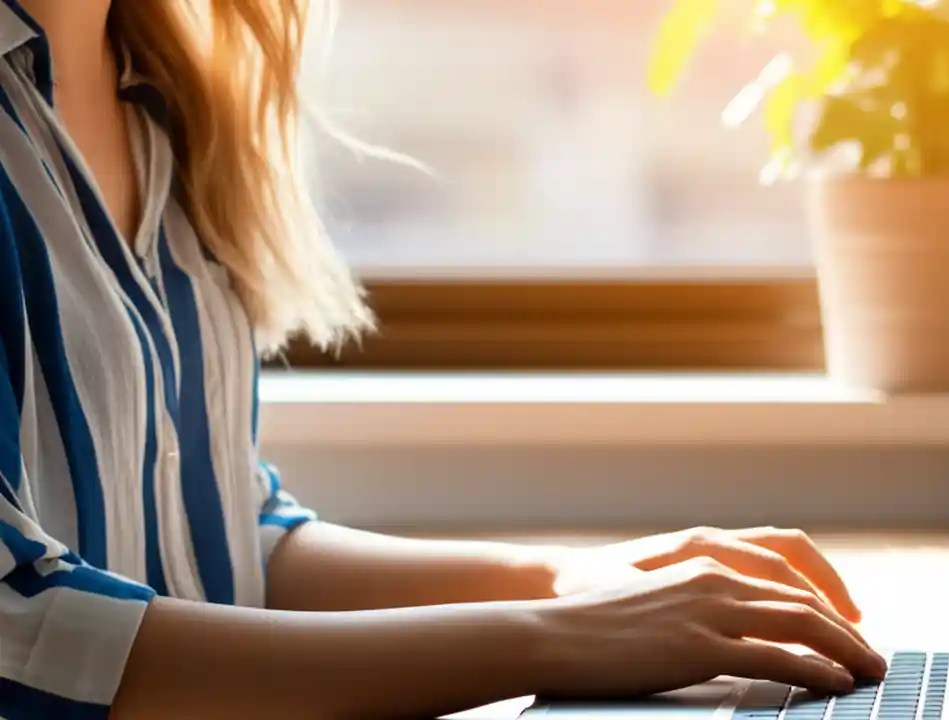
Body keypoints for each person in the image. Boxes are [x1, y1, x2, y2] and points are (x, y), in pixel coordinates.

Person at [0, 1, 886, 718]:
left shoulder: (163, 99)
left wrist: (570, 582)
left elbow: (226, 542)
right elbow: (23, 626)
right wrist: (554, 637)